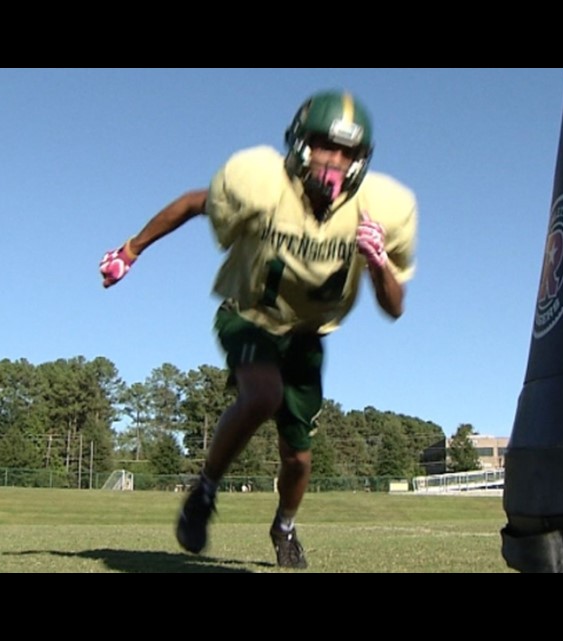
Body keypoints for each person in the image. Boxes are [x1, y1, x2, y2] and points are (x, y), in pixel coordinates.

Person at [99, 90, 418, 567]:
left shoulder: (385, 208)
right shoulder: (262, 182)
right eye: (324, 146)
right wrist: (131, 250)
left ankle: (284, 527)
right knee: (262, 393)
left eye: (346, 152)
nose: (333, 162)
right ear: (299, 144)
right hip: (247, 314)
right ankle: (204, 490)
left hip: (308, 337)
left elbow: (394, 308)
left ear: (361, 160)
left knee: (299, 458)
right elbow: (192, 203)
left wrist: (377, 263)